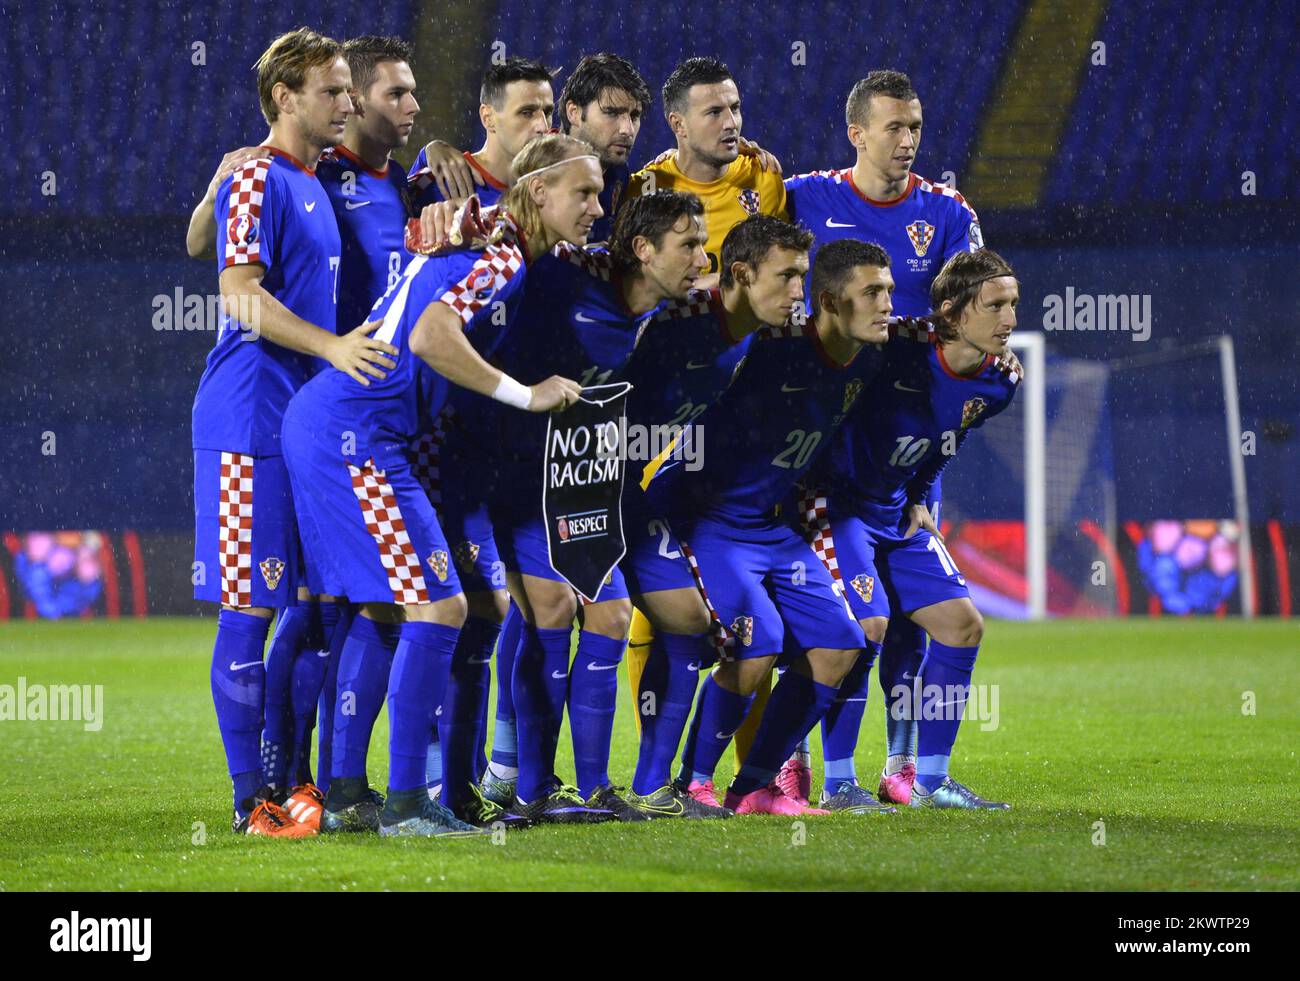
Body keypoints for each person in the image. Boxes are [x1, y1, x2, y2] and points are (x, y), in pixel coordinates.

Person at [281, 134, 600, 836]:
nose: (596, 207)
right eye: (584, 192)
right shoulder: (503, 251)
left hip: (347, 427)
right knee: (443, 607)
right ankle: (404, 803)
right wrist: (526, 395)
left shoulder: (487, 236)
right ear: (539, 192)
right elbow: (430, 335)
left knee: (386, 609)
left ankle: (345, 792)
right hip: (355, 435)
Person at [192, 28, 397, 837]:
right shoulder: (260, 177)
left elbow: (197, 239)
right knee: (249, 610)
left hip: (306, 428)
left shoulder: (307, 181)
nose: (347, 102)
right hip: (249, 420)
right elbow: (239, 293)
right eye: (334, 90)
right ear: (286, 97)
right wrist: (333, 348)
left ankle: (293, 777)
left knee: (315, 605)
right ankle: (251, 802)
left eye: (350, 89)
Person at [773, 69, 987, 807]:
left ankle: (904, 768)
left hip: (906, 456)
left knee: (909, 620)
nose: (907, 142)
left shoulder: (948, 214)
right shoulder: (802, 197)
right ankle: (797, 761)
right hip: (817, 455)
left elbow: (970, 318)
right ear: (857, 133)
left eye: (916, 128)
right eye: (893, 128)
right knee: (833, 617)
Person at [664, 238, 894, 815]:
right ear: (829, 303)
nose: (887, 303)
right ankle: (689, 785)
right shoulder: (769, 345)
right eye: (872, 292)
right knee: (757, 643)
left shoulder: (874, 353)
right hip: (711, 521)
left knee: (843, 644)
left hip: (771, 528)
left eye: (889, 290)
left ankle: (754, 788)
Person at [800, 249, 1020, 809]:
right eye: (995, 305)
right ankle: (838, 781)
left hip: (896, 511)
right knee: (866, 630)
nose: (1009, 318)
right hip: (838, 507)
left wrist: (920, 494)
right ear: (951, 310)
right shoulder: (894, 347)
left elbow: (954, 436)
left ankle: (930, 780)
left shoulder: (1001, 381)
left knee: (963, 626)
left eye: (1013, 304)